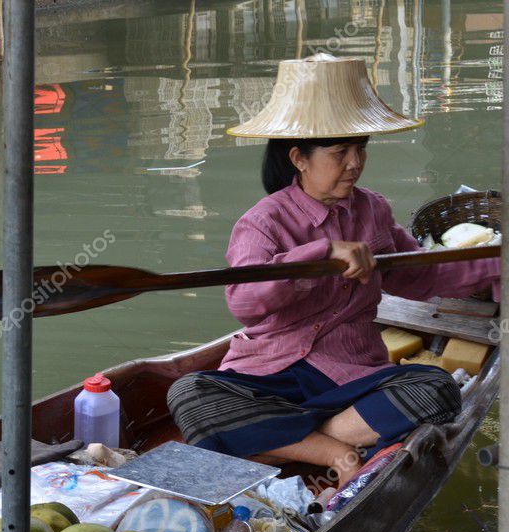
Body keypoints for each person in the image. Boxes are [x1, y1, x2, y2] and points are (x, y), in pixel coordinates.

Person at [167, 54, 500, 489]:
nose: (354, 162)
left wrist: (497, 264)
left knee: (436, 389)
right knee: (189, 395)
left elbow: (420, 277)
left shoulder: (373, 210)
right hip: (271, 375)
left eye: (360, 149)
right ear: (298, 158)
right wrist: (321, 254)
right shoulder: (262, 222)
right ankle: (332, 449)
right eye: (339, 152)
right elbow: (244, 305)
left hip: (353, 375)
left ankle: (277, 442)